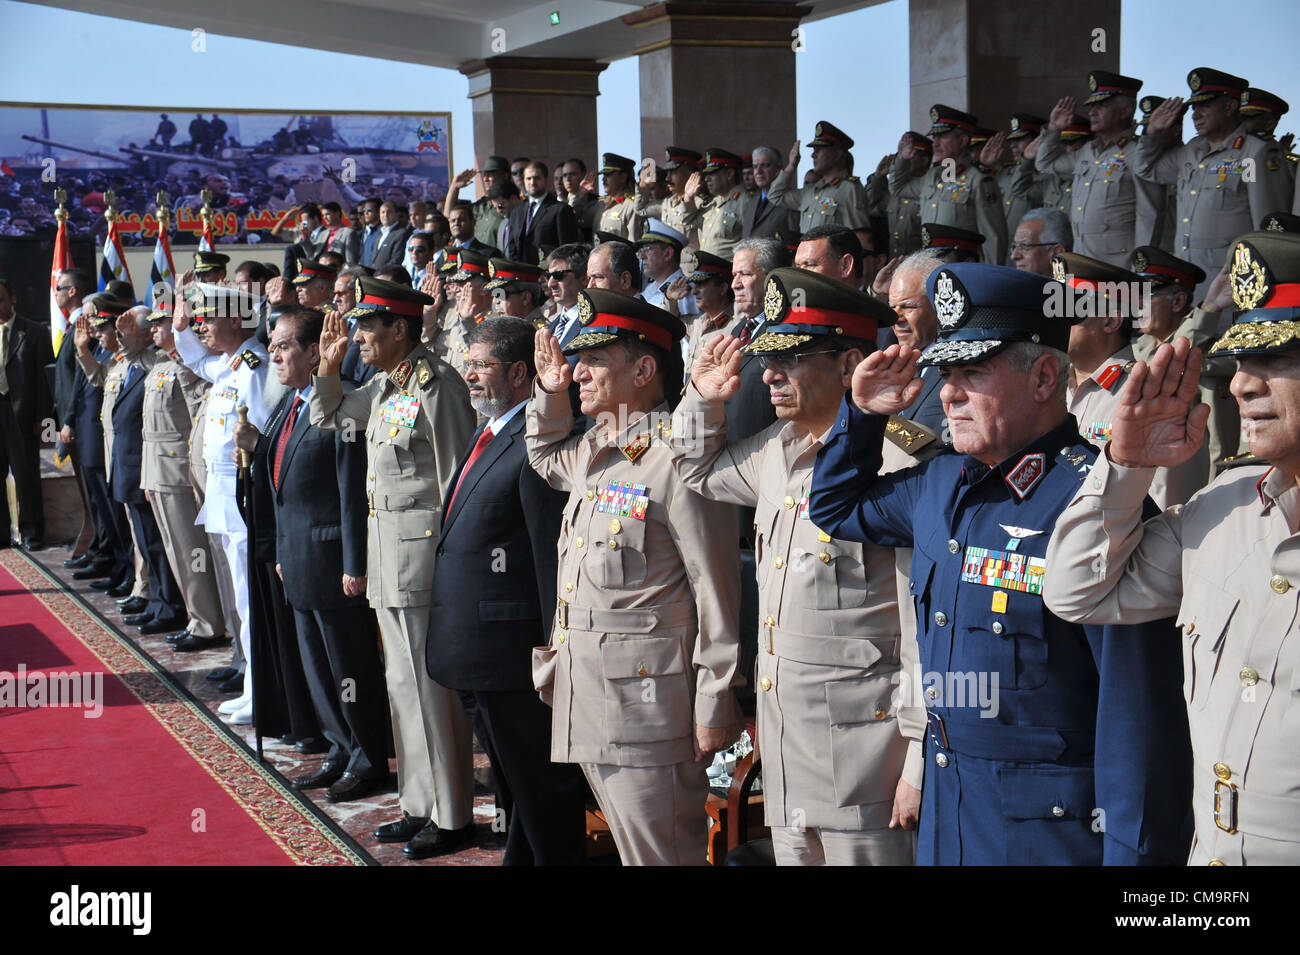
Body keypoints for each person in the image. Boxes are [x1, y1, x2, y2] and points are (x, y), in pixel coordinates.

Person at [808, 262, 1193, 865]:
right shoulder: (941, 483)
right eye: (945, 373)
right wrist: (861, 417)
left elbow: (1137, 719)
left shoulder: (1097, 504)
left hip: (1050, 840)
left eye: (973, 372)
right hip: (952, 824)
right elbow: (835, 507)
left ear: (1044, 377)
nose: (949, 394)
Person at [1043, 229, 1300, 865]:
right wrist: (1126, 463)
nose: (1242, 386)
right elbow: (1075, 590)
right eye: (1241, 362)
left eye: (1275, 360)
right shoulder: (1225, 507)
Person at [670, 268, 921, 865]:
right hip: (786, 756)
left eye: (795, 357)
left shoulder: (902, 461)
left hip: (867, 768)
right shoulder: (775, 451)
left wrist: (917, 763)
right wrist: (702, 398)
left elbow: (921, 635)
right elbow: (695, 470)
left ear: (849, 364)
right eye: (768, 358)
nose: (769, 374)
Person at [527, 288, 741, 865]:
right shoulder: (599, 444)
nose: (580, 373)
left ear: (645, 369)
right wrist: (549, 393)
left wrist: (715, 702)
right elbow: (544, 456)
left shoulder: (678, 455)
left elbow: (716, 588)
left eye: (596, 360)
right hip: (588, 688)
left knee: (663, 854)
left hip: (649, 704)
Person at [310, 276, 477, 858]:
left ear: (399, 329)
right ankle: (417, 803)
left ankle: (453, 814)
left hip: (424, 557)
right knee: (401, 687)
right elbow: (329, 416)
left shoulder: (438, 387)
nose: (357, 337)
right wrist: (328, 368)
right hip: (388, 555)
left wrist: (455, 569)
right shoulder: (385, 385)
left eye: (366, 327)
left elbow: (456, 483)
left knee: (431, 692)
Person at [425, 317, 589, 865]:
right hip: (477, 650)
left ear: (521, 372)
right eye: (468, 363)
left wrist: (553, 650)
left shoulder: (540, 441)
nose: (469, 374)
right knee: (515, 787)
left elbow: (548, 557)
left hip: (514, 654)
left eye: (481, 366)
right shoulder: (493, 429)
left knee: (543, 791)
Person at [234, 305, 390, 800]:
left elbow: (349, 489)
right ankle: (339, 747)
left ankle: (368, 758)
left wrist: (353, 562)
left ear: (313, 351)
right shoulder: (288, 403)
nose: (273, 354)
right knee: (319, 668)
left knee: (349, 667)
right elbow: (284, 480)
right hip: (296, 556)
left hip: (331, 561)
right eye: (272, 345)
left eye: (283, 346)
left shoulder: (336, 403)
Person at [171, 283, 271, 723]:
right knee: (240, 599)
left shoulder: (254, 366)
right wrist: (180, 320)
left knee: (250, 600)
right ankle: (253, 685)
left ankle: (263, 690)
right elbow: (192, 356)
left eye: (208, 318)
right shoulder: (229, 364)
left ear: (235, 320)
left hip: (243, 495)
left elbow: (265, 436)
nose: (201, 325)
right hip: (224, 494)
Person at [1051, 252, 1208, 508]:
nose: (1054, 323)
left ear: (1111, 320)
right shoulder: (1050, 388)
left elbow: (1165, 509)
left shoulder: (1150, 396)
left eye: (1069, 313)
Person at [1138, 69, 1291, 300]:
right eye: (1193, 108)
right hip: (1188, 282)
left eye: (1205, 106)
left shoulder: (1253, 153)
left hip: (1229, 284)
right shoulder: (1191, 151)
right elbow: (1145, 169)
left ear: (1230, 107)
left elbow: (1269, 227)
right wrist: (1152, 133)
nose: (1195, 115)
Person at [139, 300, 224, 642]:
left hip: (177, 470)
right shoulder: (161, 362)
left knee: (192, 553)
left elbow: (195, 419)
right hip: (157, 468)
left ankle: (208, 623)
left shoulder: (190, 366)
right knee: (177, 551)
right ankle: (196, 618)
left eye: (163, 323)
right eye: (156, 324)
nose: (156, 329)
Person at [1035, 72, 1163, 266]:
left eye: (1101, 106)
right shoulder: (1086, 152)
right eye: (1092, 106)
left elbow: (1149, 216)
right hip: (1083, 260)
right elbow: (1045, 164)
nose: (1092, 112)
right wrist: (1054, 129)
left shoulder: (1137, 153)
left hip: (1119, 265)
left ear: (1125, 111)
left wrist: (1142, 269)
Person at [889, 108, 1008, 264]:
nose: (935, 143)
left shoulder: (978, 179)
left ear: (963, 140)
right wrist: (902, 159)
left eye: (943, 136)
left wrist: (991, 279)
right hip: (930, 267)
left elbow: (994, 237)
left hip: (963, 270)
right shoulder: (933, 176)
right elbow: (898, 188)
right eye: (935, 137)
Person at [0, 277, 53, 549]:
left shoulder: (34, 332)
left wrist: (43, 421)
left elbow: (44, 382)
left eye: (0, 300)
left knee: (26, 476)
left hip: (23, 415)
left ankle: (32, 531)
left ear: (13, 299)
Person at [768, 121, 869, 233]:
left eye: (819, 150)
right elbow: (775, 196)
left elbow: (861, 236)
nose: (813, 155)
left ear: (837, 154)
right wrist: (791, 166)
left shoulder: (850, 189)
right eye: (814, 150)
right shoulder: (811, 191)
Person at [506, 161, 579, 266]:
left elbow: (566, 249)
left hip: (548, 276)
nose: (532, 182)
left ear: (546, 180)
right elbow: (512, 247)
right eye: (528, 178)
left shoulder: (561, 210)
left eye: (537, 178)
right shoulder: (517, 212)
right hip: (522, 275)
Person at [692, 150, 749, 257]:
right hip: (708, 269)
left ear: (729, 174)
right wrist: (688, 199)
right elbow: (690, 223)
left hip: (729, 270)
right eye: (706, 174)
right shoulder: (715, 201)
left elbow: (752, 242)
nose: (706, 178)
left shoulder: (745, 202)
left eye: (712, 173)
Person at [1010, 207, 1071, 275]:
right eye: (1014, 246)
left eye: (1024, 246)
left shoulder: (1074, 284)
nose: (1014, 256)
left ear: (1057, 253)